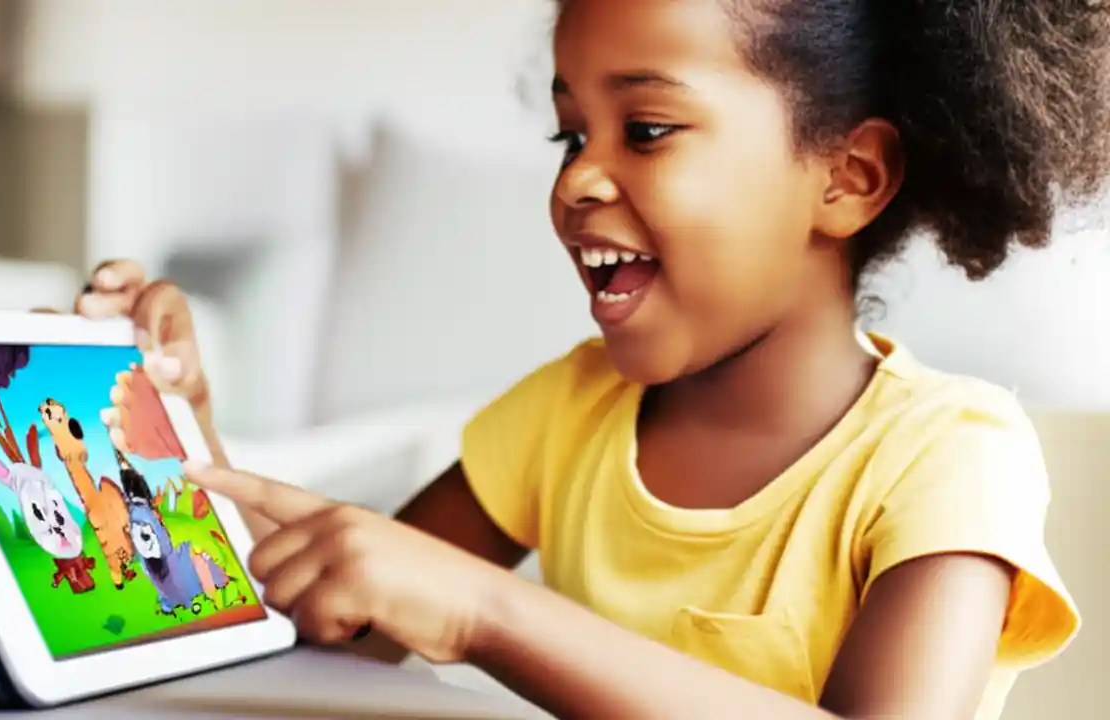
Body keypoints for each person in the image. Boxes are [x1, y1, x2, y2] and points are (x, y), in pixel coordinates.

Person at [72, 1, 1110, 717]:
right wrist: (182, 423)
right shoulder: (570, 411)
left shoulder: (948, 454)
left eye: (645, 129)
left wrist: (486, 611)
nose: (576, 184)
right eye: (570, 136)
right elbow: (338, 611)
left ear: (846, 178)